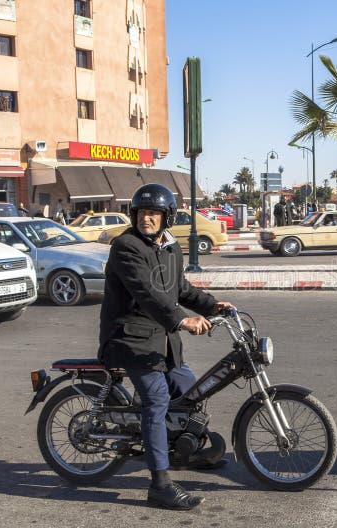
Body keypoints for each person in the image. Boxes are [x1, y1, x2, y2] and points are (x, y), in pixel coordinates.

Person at [98, 183, 236, 510]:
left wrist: (212, 306)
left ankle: (188, 452)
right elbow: (147, 293)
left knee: (191, 391)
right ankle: (159, 485)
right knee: (157, 400)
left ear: (166, 217)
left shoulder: (170, 248)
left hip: (162, 340)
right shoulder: (126, 247)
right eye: (142, 212)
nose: (146, 218)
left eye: (153, 213)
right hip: (130, 339)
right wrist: (182, 320)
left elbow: (181, 289)